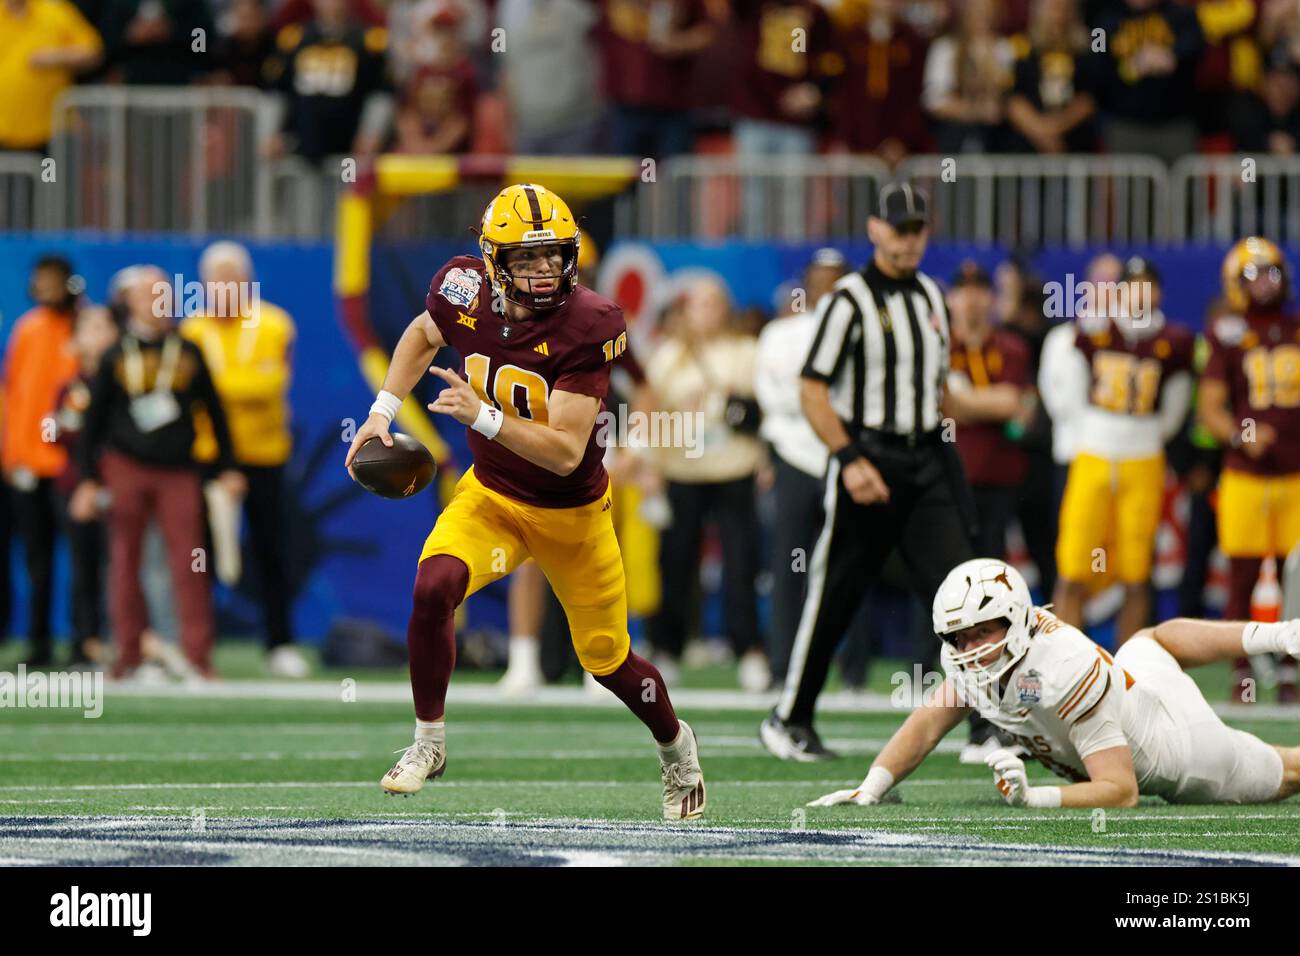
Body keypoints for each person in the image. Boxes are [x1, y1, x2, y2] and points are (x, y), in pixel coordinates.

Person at [343, 183, 706, 820]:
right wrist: (381, 412)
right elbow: (424, 334)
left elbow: (566, 452)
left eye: (554, 256)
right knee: (433, 589)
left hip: (573, 514)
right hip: (491, 495)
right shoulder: (462, 287)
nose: (545, 270)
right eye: (527, 258)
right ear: (492, 260)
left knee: (610, 663)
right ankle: (428, 741)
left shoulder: (590, 322)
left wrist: (482, 416)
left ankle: (675, 743)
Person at [761, 183, 987, 762]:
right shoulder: (850, 299)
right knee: (835, 592)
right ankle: (789, 719)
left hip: (928, 457)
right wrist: (849, 457)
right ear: (874, 230)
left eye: (917, 229)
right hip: (870, 457)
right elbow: (812, 389)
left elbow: (937, 389)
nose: (909, 239)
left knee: (965, 592)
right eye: (899, 228)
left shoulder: (934, 297)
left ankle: (988, 725)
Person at [809, 558, 1300, 810]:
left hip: (1183, 751)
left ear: (1017, 621)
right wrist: (872, 786)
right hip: (1136, 693)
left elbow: (1120, 790)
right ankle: (1281, 635)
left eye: (983, 632)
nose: (971, 648)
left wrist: (1034, 798)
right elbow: (928, 723)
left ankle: (1281, 634)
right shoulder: (970, 659)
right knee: (1149, 641)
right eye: (960, 637)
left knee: (1290, 771)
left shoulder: (1064, 668)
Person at [71, 266, 247, 680]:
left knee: (191, 561)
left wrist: (228, 466)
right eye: (148, 296)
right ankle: (128, 655)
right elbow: (92, 422)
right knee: (124, 560)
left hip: (179, 470)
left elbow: (214, 411)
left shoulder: (188, 350)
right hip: (125, 467)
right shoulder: (116, 355)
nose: (157, 303)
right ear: (129, 303)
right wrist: (88, 478)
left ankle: (197, 656)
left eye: (163, 294)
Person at [1051, 257, 1193, 643]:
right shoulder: (1094, 330)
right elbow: (1072, 395)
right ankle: (1068, 658)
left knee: (1135, 569)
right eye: (1133, 285)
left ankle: (1128, 664)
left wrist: (1141, 434)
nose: (1140, 293)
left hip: (1143, 459)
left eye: (1148, 285)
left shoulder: (1174, 342)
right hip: (1094, 454)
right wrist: (1098, 432)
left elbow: (1175, 410)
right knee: (1074, 562)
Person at [181, 241, 306, 679]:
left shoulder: (274, 324)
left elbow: (269, 386)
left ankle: (280, 644)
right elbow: (190, 396)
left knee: (272, 551)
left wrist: (216, 390)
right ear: (204, 283)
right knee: (200, 554)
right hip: (208, 456)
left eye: (233, 277)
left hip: (264, 453)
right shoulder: (192, 331)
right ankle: (198, 648)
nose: (225, 287)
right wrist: (229, 390)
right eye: (217, 279)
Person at [645, 278, 768, 692]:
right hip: (683, 471)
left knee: (741, 560)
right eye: (698, 304)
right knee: (676, 561)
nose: (706, 312)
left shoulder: (746, 352)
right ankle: (668, 646)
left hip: (735, 467)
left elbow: (767, 411)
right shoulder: (668, 356)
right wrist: (650, 467)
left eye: (714, 304)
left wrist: (765, 455)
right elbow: (650, 413)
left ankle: (749, 648)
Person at [1197, 236, 1300, 702]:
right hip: (1245, 475)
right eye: (1254, 274)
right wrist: (1242, 434)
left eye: (1272, 272)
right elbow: (1211, 407)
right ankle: (1244, 672)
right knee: (1241, 580)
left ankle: (1292, 671)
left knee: (1294, 578)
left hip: (1296, 475)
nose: (1265, 284)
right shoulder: (1227, 333)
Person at [2, 255, 82, 667]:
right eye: (40, 282)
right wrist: (13, 456)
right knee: (37, 559)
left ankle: (84, 641)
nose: (45, 289)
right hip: (30, 463)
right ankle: (38, 642)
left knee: (85, 559)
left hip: (71, 465)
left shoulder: (84, 327)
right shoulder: (28, 329)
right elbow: (14, 398)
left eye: (53, 282)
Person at [944, 261, 1034, 561]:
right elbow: (940, 405)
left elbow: (1010, 403)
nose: (970, 300)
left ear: (992, 298)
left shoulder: (1011, 346)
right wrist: (990, 404)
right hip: (949, 478)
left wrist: (960, 401)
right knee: (947, 565)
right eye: (963, 292)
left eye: (979, 291)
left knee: (991, 567)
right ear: (950, 299)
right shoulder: (939, 347)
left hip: (999, 477)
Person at [52, 304, 121, 668]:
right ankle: (85, 642)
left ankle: (121, 641)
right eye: (88, 329)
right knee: (82, 567)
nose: (95, 336)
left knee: (120, 566)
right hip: (74, 486)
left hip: (118, 487)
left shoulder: (123, 382)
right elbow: (54, 433)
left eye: (102, 328)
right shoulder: (69, 386)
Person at [0, 0, 103, 151]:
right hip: (5, 131)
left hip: (50, 131)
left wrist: (58, 56)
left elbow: (93, 52)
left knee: (52, 175)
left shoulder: (55, 11)